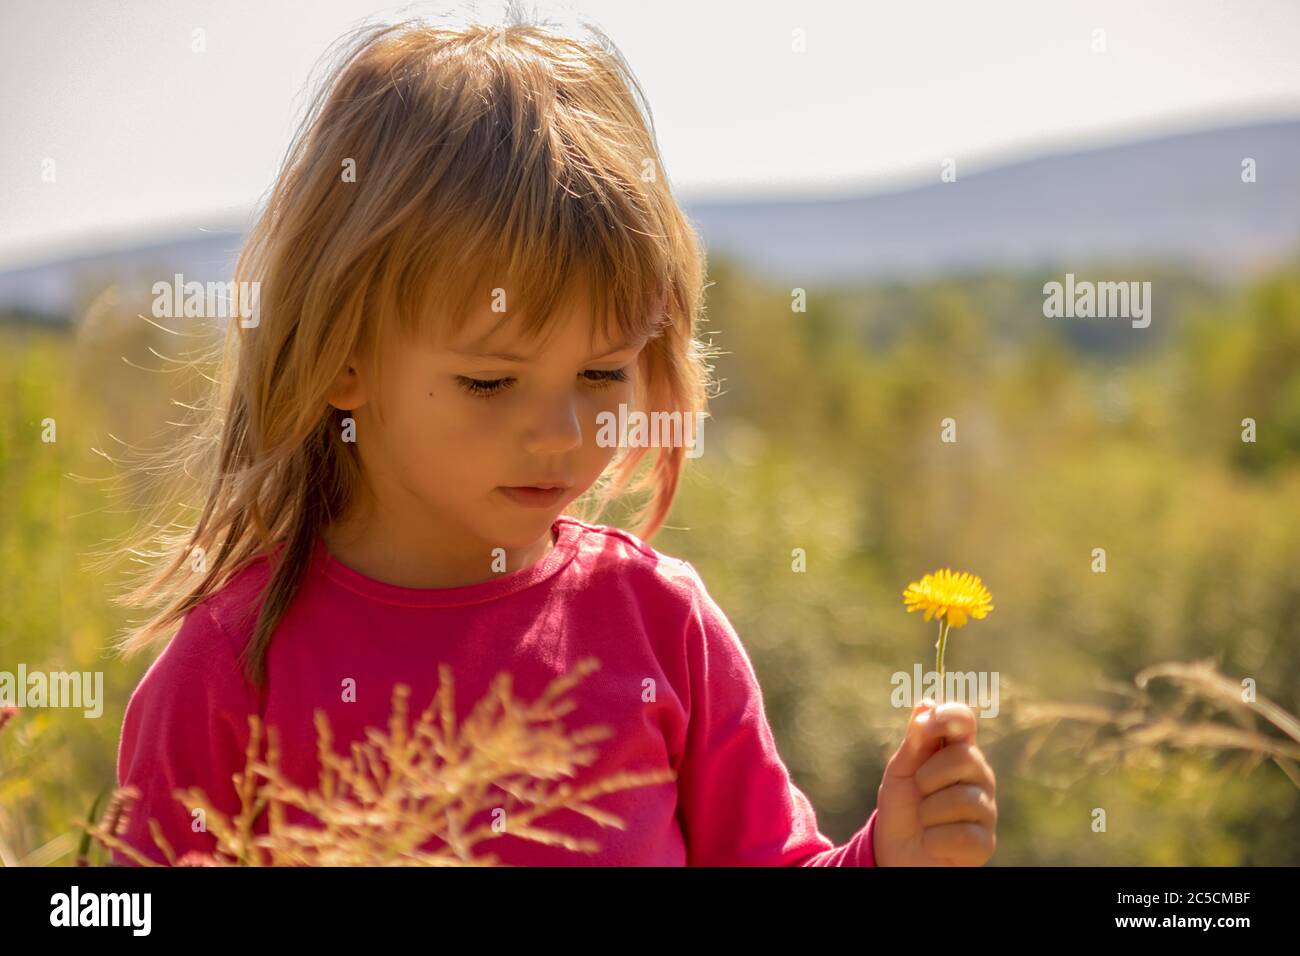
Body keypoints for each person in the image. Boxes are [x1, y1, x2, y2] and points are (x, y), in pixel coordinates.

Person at [110, 6, 995, 867]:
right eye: (490, 382)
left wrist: (890, 858)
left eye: (603, 373)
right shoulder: (233, 672)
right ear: (343, 356)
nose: (563, 433)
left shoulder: (661, 627)